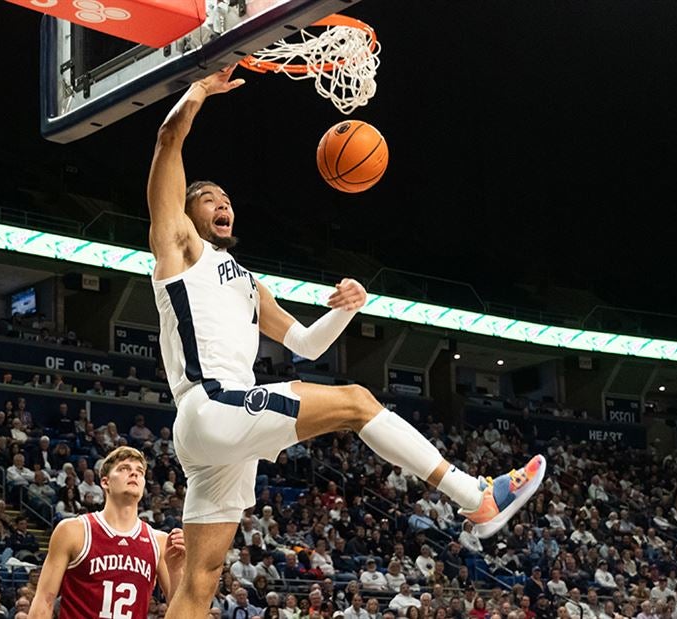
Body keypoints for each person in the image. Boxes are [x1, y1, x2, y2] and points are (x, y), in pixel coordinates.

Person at [145, 65, 547, 617]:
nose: (223, 204)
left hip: (218, 428)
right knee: (357, 401)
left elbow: (307, 344)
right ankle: (476, 497)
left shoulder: (248, 284)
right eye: (210, 198)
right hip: (210, 404)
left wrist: (345, 310)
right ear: (187, 213)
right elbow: (169, 138)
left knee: (200, 581)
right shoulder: (179, 248)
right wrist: (198, 90)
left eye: (227, 198)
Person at [26, 446, 185, 619]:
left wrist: (176, 570)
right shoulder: (73, 531)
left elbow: (183, 611)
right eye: (124, 468)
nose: (134, 473)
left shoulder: (159, 541)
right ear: (105, 482)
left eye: (140, 471)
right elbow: (44, 601)